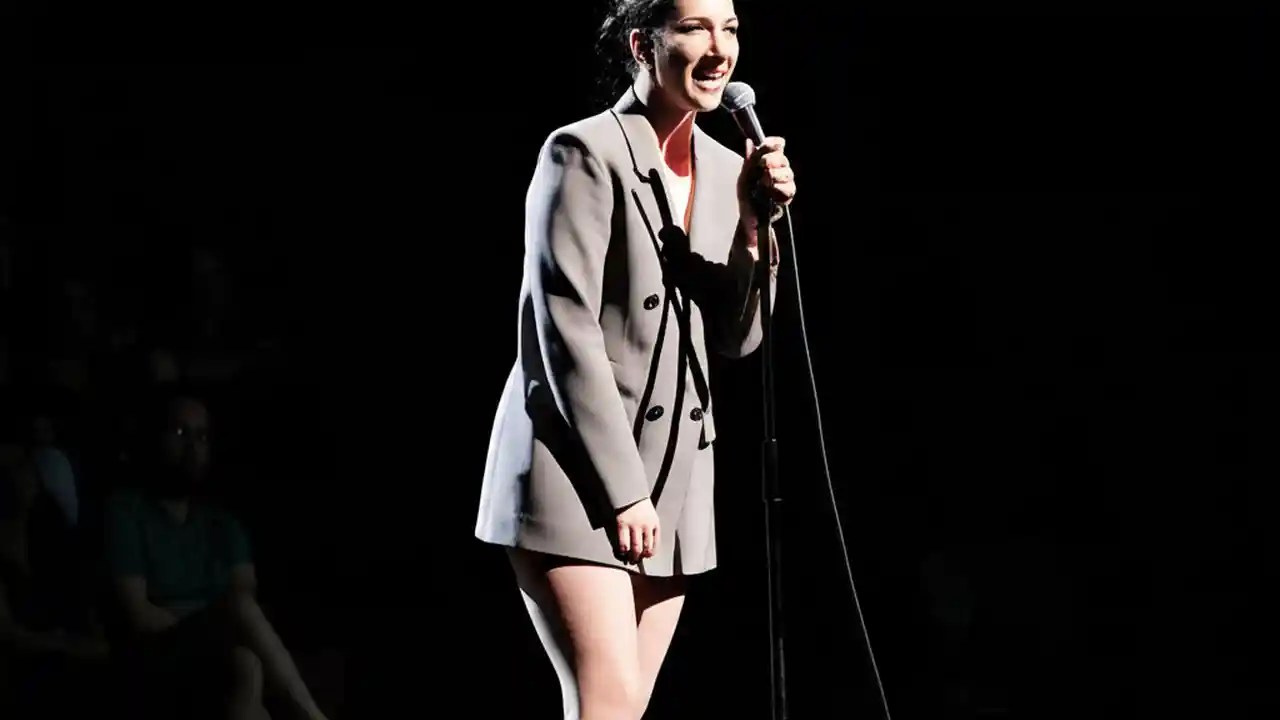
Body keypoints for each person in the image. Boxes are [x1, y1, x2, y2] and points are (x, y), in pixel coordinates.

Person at [473, 0, 796, 717]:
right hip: (577, 467)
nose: (719, 49)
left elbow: (739, 339)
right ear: (643, 44)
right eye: (695, 28)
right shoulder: (582, 150)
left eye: (730, 29)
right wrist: (623, 492)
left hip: (675, 476)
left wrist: (753, 234)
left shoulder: (726, 168)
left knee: (623, 710)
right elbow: (563, 327)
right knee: (606, 701)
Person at [104, 391, 329, 720]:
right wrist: (210, 624)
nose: (193, 447)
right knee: (238, 623)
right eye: (180, 433)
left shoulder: (222, 524)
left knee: (246, 664)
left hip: (219, 647)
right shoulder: (126, 512)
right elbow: (138, 613)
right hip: (156, 649)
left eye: (202, 436)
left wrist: (220, 625)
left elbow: (246, 599)